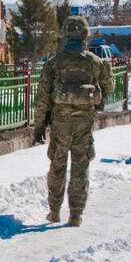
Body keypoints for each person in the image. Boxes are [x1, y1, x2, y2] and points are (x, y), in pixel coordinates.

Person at [33, 15, 110, 226]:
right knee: (80, 167)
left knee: (57, 166)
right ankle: (76, 213)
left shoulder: (54, 63)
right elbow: (108, 88)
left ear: (66, 34)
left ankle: (54, 211)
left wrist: (39, 125)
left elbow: (42, 98)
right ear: (85, 34)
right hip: (84, 124)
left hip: (60, 125)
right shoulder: (96, 63)